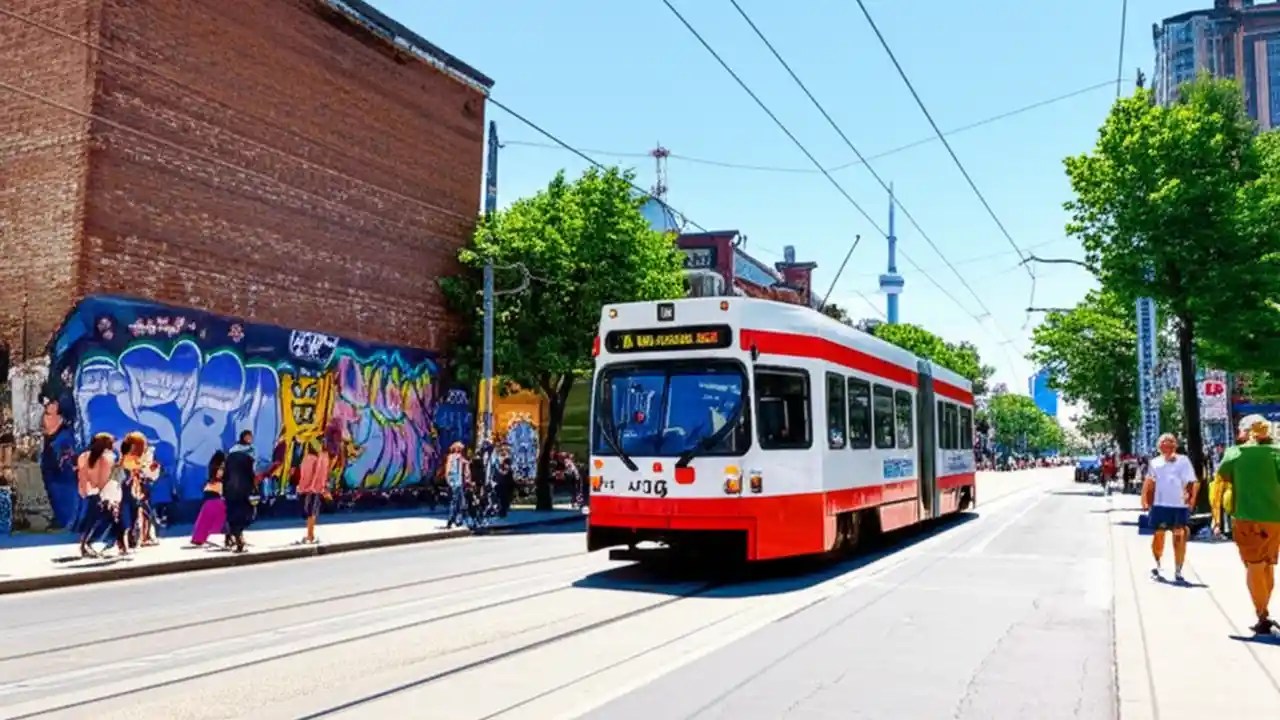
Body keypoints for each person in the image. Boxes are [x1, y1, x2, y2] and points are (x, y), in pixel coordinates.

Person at [1215, 415, 1280, 635]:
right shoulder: (1277, 452)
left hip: (1246, 518)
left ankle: (1262, 614)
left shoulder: (1235, 453)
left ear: (1244, 432)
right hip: (1274, 519)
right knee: (1268, 565)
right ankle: (1263, 610)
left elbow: (1223, 473)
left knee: (1254, 565)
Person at [1141, 432, 1199, 583]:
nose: (1166, 445)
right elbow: (1149, 482)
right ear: (1159, 446)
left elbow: (1192, 482)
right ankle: (1156, 563)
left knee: (1179, 535)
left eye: (1170, 442)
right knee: (1159, 534)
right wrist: (1146, 501)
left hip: (1179, 505)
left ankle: (1178, 569)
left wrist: (1191, 500)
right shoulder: (1154, 462)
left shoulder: (1183, 461)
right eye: (1163, 443)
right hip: (1160, 505)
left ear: (1175, 445)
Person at [74, 433, 115, 558]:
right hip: (99, 493)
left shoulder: (84, 456)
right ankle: (88, 543)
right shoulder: (106, 458)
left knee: (90, 519)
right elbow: (103, 479)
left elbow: (82, 475)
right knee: (105, 518)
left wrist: (83, 490)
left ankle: (85, 544)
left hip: (89, 492)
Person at [297, 432, 337, 545]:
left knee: (310, 512)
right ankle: (310, 535)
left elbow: (317, 473)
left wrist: (315, 487)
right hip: (312, 488)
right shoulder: (321, 456)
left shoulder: (316, 457)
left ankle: (310, 535)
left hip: (311, 489)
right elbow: (318, 473)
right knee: (311, 512)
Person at [223, 431, 259, 553]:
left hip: (231, 491)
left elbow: (226, 475)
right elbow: (251, 474)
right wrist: (254, 488)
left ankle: (235, 538)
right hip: (243, 491)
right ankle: (238, 539)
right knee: (243, 515)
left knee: (233, 516)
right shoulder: (248, 457)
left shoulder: (232, 454)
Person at [191, 451, 227, 547]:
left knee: (203, 520)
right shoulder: (221, 468)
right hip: (216, 493)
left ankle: (198, 538)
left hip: (208, 492)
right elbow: (221, 477)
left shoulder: (211, 466)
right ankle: (229, 537)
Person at [444, 442, 470, 529]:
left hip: (458, 483)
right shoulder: (452, 457)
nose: (461, 450)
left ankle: (455, 520)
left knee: (458, 502)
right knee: (457, 502)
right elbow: (448, 470)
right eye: (460, 448)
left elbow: (465, 467)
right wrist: (449, 481)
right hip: (456, 482)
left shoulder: (459, 458)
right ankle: (452, 520)